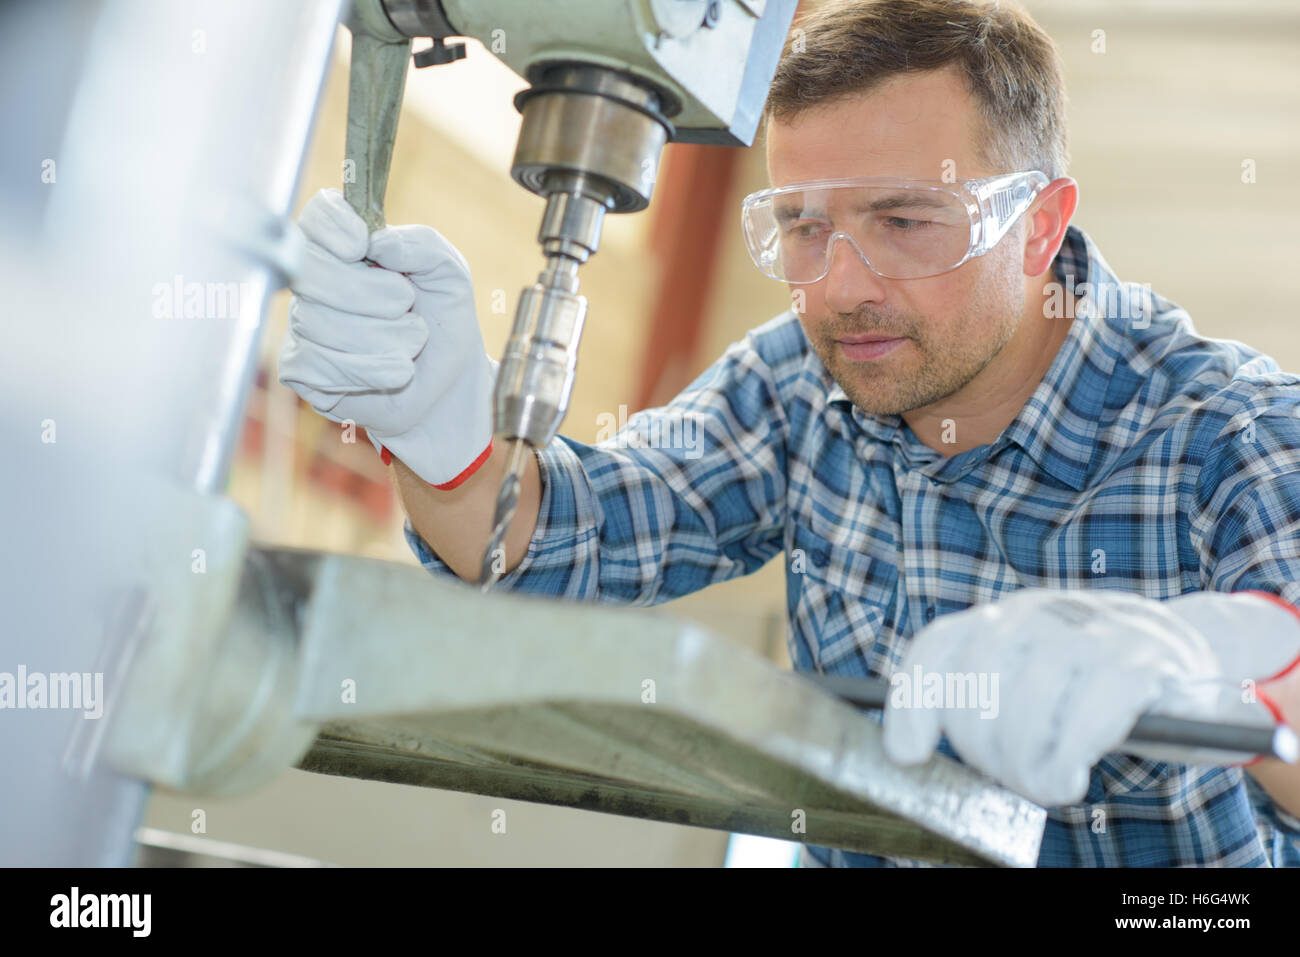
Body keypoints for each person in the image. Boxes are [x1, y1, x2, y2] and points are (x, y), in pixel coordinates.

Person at [278, 0, 1300, 866]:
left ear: (1037, 225)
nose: (842, 287)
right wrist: (437, 427)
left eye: (905, 221)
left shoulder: (1235, 436)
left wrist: (1226, 677)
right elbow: (555, 550)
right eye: (803, 227)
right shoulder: (800, 385)